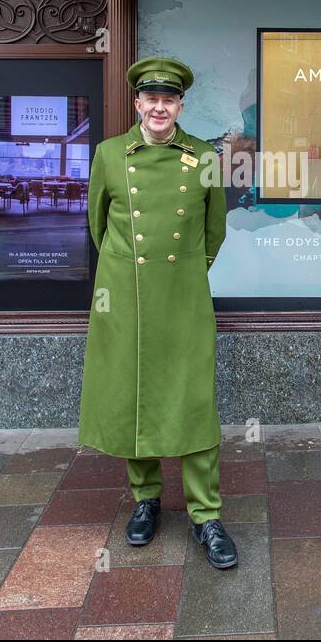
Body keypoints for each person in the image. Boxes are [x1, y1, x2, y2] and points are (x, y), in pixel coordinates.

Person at [78, 57, 236, 569]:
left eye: (169, 100)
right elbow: (98, 226)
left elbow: (215, 231)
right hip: (126, 293)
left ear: (180, 106)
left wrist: (184, 273)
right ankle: (146, 499)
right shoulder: (109, 154)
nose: (160, 107)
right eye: (152, 99)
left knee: (193, 399)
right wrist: (128, 271)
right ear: (137, 103)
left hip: (183, 293)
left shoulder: (205, 157)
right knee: (135, 392)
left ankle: (206, 515)